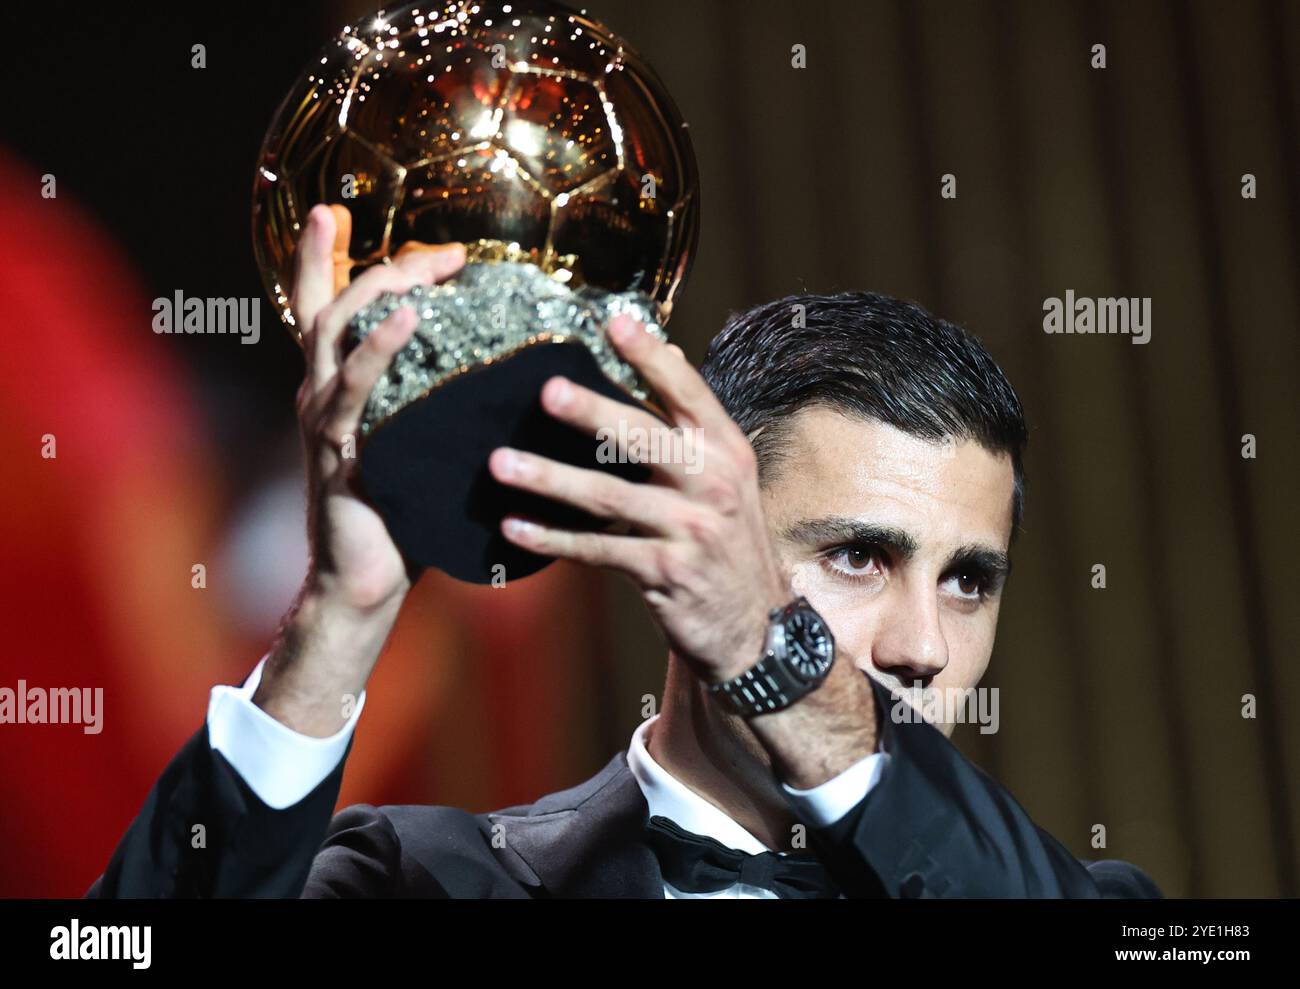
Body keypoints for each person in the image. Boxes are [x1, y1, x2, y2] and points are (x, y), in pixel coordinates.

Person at [89, 204, 1161, 898]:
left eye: (968, 580)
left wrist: (779, 656)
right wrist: (337, 618)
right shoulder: (423, 881)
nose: (926, 642)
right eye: (856, 557)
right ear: (675, 528)